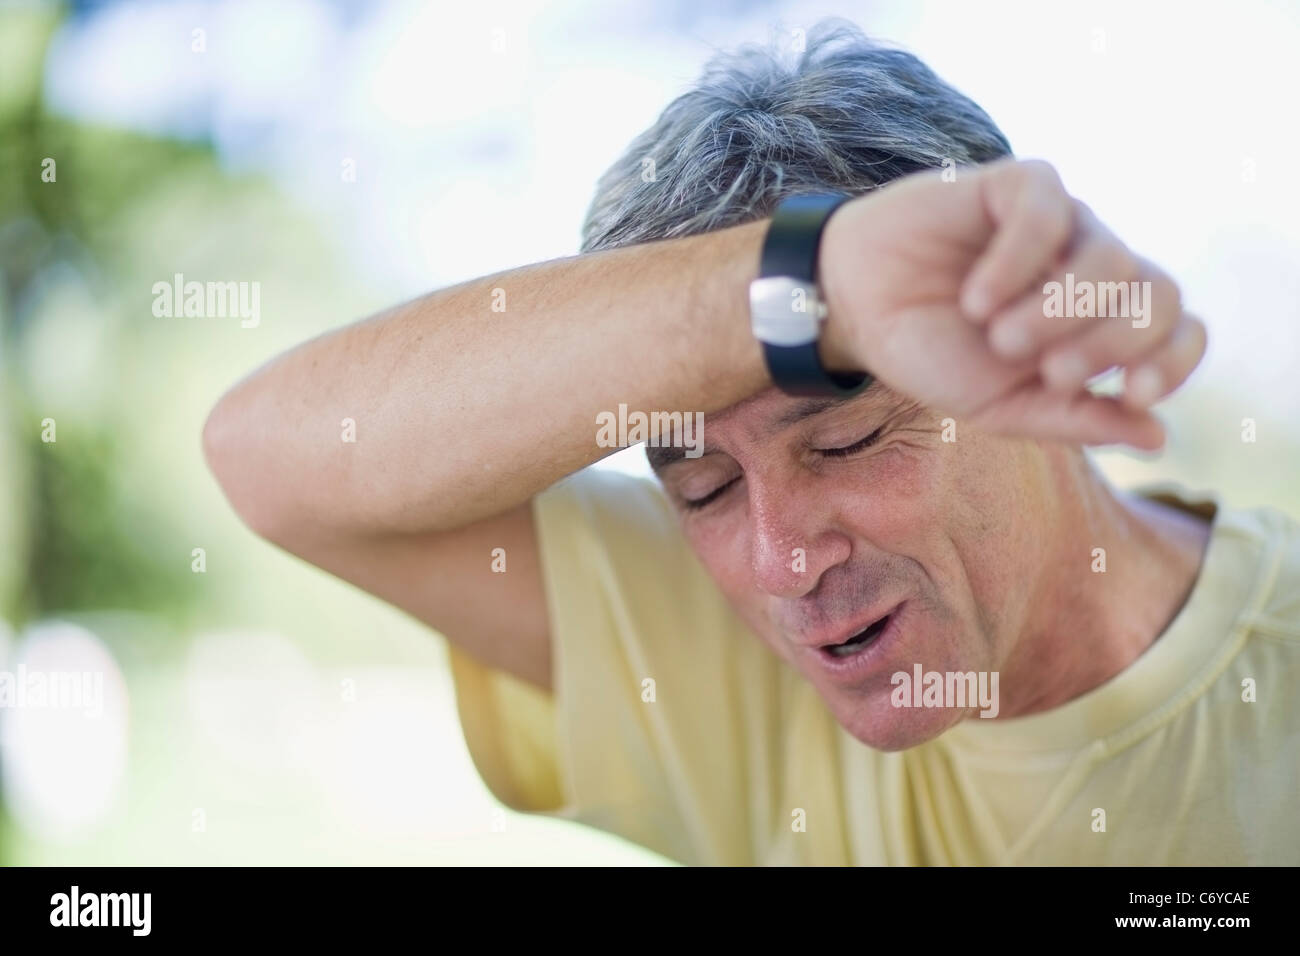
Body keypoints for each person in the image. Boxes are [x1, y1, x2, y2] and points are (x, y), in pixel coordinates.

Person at [203, 21, 1300, 864]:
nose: (782, 560)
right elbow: (267, 455)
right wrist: (802, 288)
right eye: (705, 484)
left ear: (1024, 362)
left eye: (846, 438)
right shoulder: (708, 646)